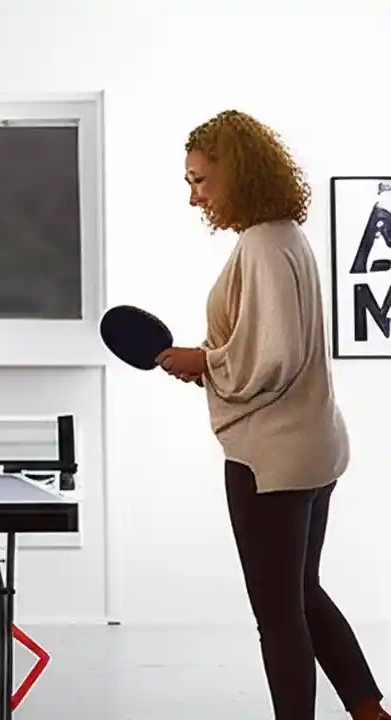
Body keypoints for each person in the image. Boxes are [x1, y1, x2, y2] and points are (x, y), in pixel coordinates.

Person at [157, 110, 388, 720]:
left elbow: (273, 357)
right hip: (315, 447)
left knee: (278, 615)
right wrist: (211, 360)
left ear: (236, 174)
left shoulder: (261, 244)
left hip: (271, 459)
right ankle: (369, 710)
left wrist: (203, 361)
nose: (194, 196)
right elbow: (279, 347)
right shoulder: (287, 233)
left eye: (200, 180)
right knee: (304, 594)